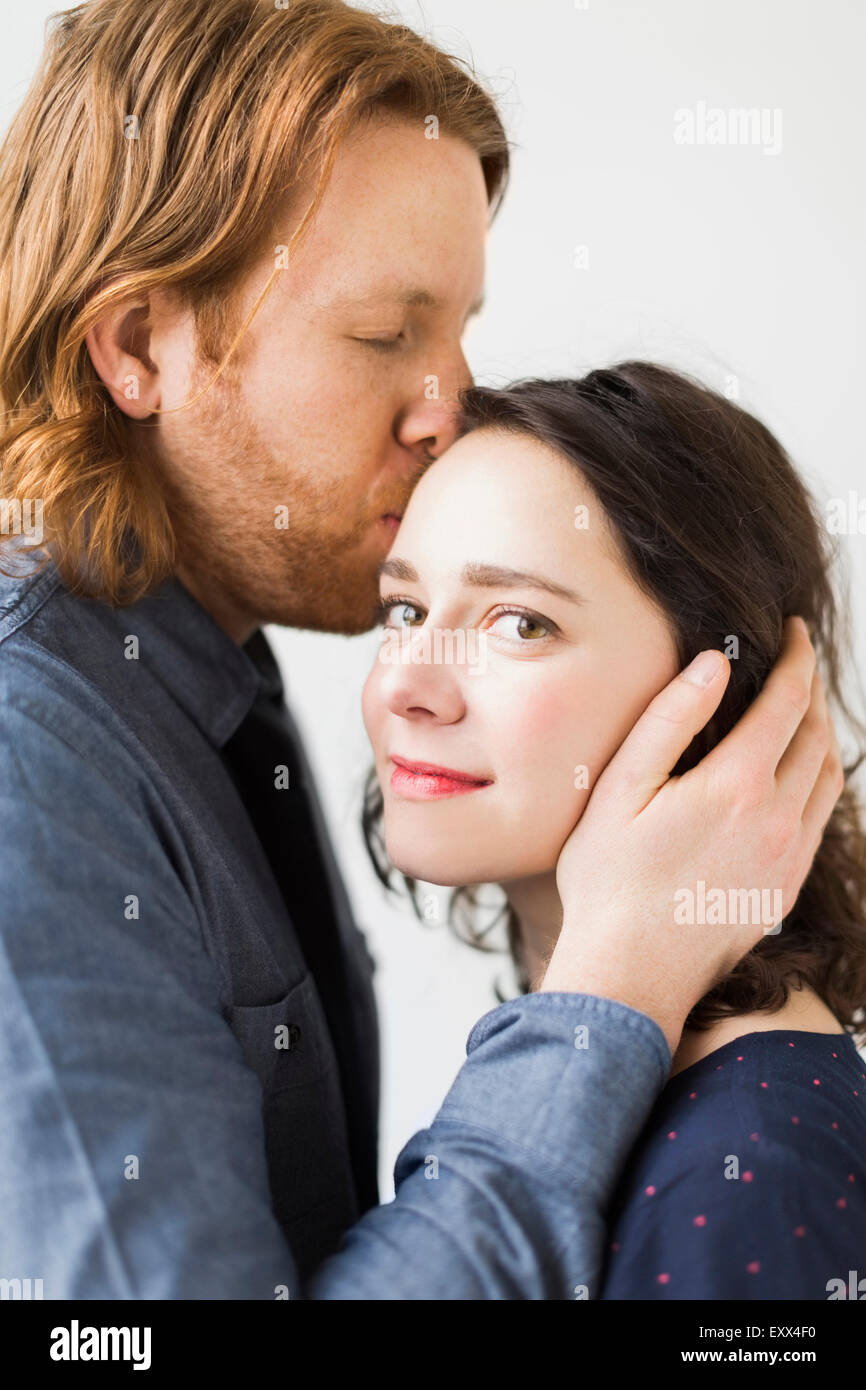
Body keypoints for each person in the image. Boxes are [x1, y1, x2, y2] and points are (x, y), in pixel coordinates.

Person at [0, 0, 841, 1299]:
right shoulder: (30, 754)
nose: (448, 415)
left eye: (457, 331)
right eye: (385, 336)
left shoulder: (212, 676)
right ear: (135, 346)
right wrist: (608, 987)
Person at [361, 363, 866, 1299]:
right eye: (406, 609)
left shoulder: (751, 1166)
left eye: (520, 622)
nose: (401, 685)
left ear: (725, 698)